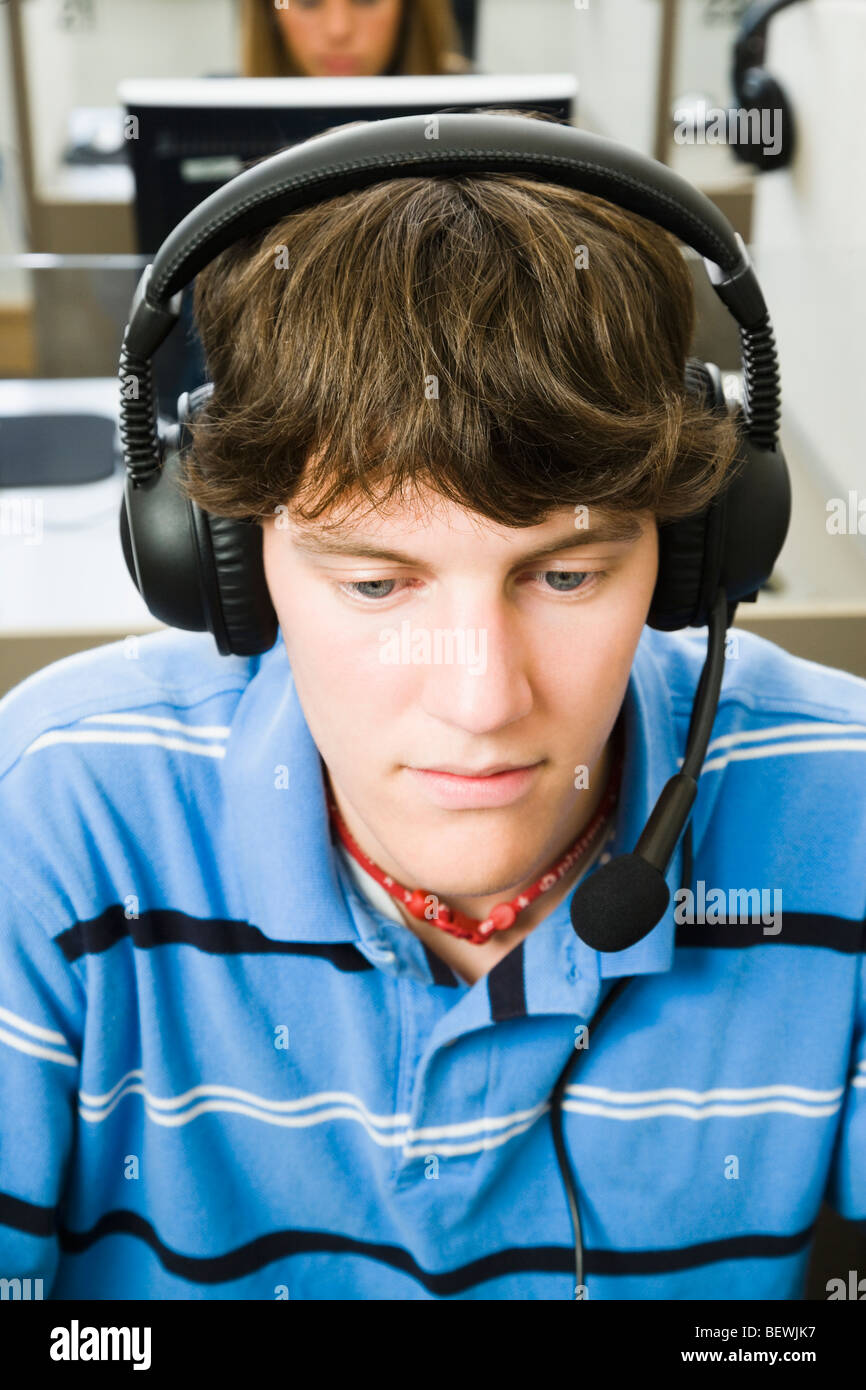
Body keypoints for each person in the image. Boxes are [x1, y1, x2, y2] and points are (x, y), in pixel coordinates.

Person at [0, 110, 864, 1301]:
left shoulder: (844, 801)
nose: (480, 699)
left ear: (688, 557)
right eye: (374, 582)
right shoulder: (46, 817)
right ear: (225, 564)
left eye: (564, 574)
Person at [239, 0, 473, 78]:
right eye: (308, 1)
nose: (338, 30)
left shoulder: (479, 112)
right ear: (268, 10)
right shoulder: (211, 120)